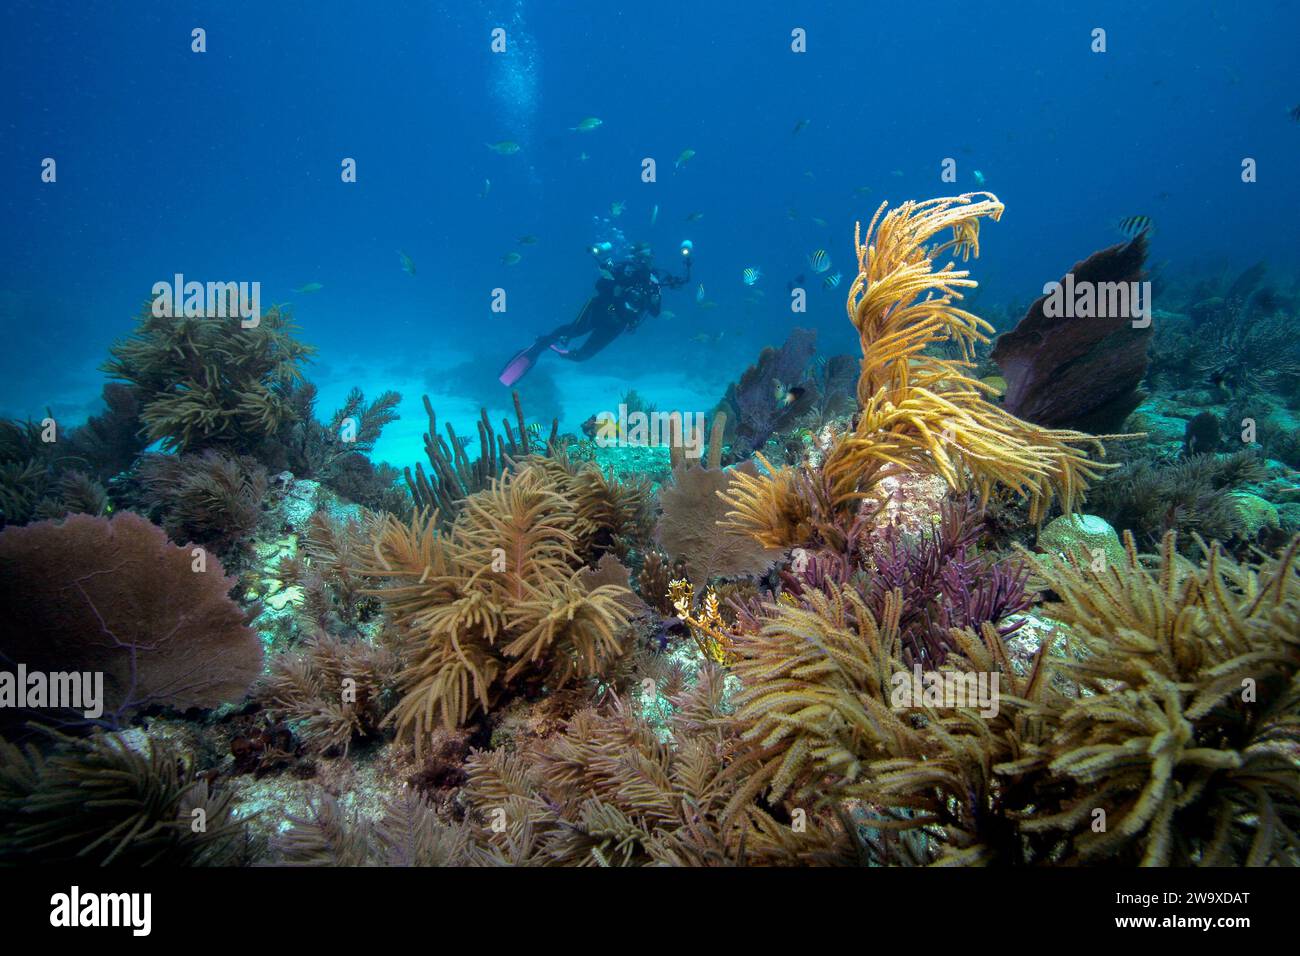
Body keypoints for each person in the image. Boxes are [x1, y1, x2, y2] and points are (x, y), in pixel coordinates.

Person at [498, 239, 693, 386]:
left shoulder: (654, 283)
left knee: (582, 356)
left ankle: (555, 348)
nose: (646, 262)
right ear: (635, 259)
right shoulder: (624, 269)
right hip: (600, 310)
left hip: (618, 325)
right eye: (642, 258)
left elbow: (655, 313)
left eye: (648, 258)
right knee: (572, 331)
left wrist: (654, 298)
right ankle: (539, 346)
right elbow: (599, 285)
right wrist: (616, 287)